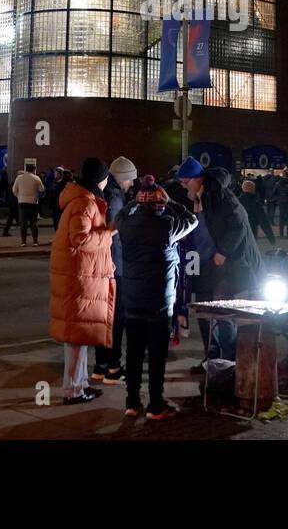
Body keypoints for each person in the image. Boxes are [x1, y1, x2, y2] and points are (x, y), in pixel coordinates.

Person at [116, 176, 198, 419]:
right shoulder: (168, 226)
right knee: (157, 356)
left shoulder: (126, 226)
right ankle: (155, 403)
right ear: (160, 204)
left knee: (132, 353)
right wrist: (172, 202)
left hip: (132, 301)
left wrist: (134, 202)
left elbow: (120, 216)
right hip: (160, 304)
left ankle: (132, 403)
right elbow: (192, 220)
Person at [178, 156, 265, 362]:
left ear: (198, 179)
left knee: (223, 313)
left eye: (186, 181)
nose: (183, 186)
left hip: (222, 265)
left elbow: (239, 226)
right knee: (203, 312)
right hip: (200, 264)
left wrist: (223, 252)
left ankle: (230, 360)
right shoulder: (193, 197)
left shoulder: (221, 197)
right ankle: (212, 357)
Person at [49, 157, 117, 404]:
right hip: (79, 278)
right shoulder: (84, 203)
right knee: (77, 338)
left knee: (79, 337)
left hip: (80, 275)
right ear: (100, 178)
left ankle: (80, 384)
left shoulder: (82, 200)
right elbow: (81, 239)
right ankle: (74, 390)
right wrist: (109, 233)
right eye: (107, 176)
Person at [91, 156, 136, 385]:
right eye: (130, 180)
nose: (131, 185)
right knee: (116, 318)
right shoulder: (115, 196)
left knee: (102, 317)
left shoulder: (100, 193)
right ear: (123, 178)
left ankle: (100, 365)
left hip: (101, 264)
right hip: (114, 265)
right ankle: (113, 366)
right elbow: (112, 227)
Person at [12, 160, 45, 246]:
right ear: (34, 170)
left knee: (23, 223)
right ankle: (35, 241)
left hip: (22, 202)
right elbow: (42, 189)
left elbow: (14, 190)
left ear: (26, 169)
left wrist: (19, 197)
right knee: (33, 223)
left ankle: (23, 242)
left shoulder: (19, 178)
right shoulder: (36, 178)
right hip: (33, 203)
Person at [238, 178, 275, 245]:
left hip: (237, 234)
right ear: (252, 190)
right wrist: (271, 238)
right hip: (251, 233)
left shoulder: (236, 202)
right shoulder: (255, 203)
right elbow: (263, 221)